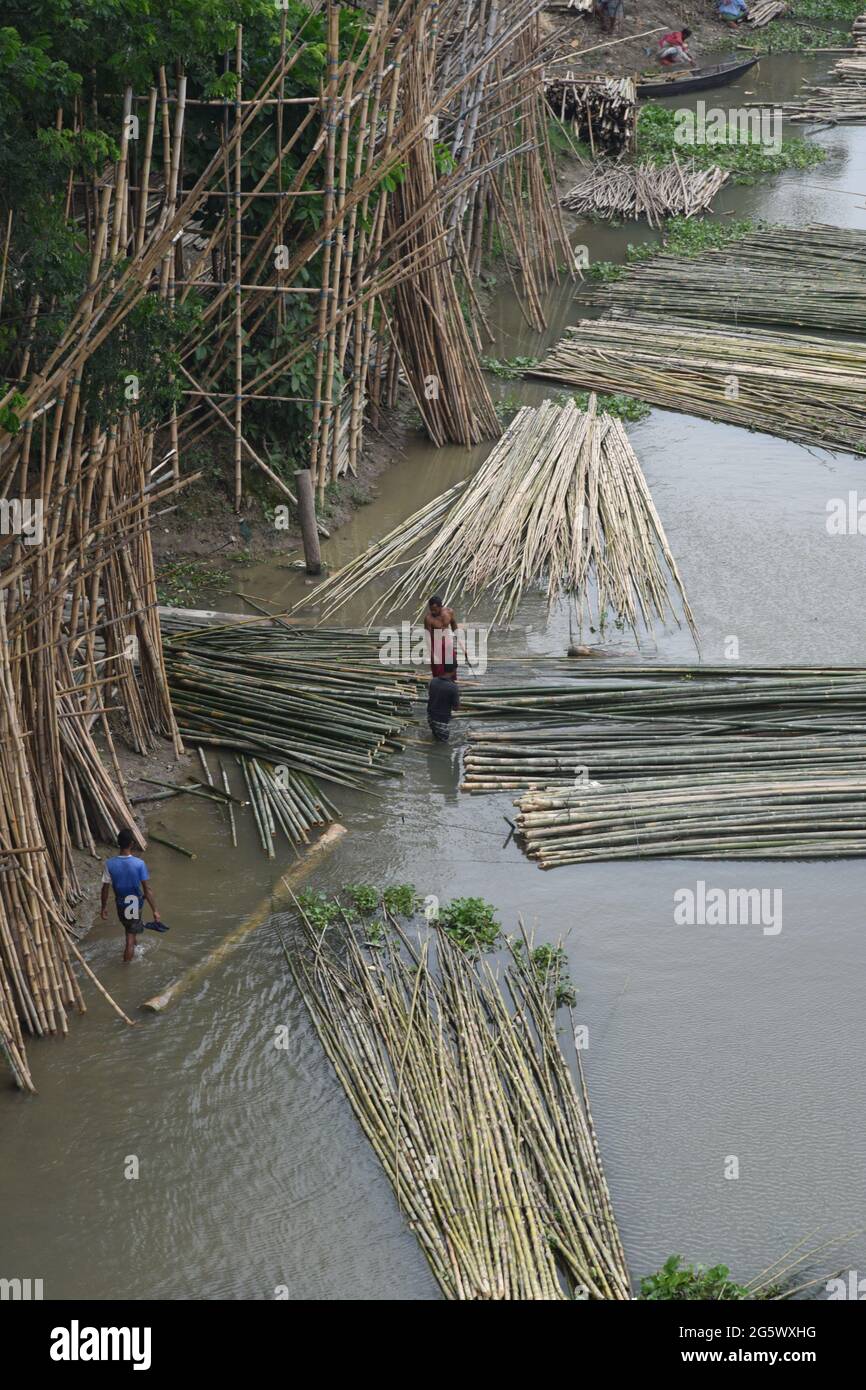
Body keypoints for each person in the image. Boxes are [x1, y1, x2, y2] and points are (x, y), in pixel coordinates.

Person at [100, 828, 161, 961]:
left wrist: (103, 907)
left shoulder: (109, 864)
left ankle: (135, 947)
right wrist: (155, 911)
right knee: (129, 938)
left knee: (130, 929)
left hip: (120, 904)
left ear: (118, 843)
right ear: (132, 844)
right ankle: (126, 967)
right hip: (133, 904)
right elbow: (147, 889)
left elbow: (105, 888)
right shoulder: (139, 864)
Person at [424, 594, 458, 678]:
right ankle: (438, 686)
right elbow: (428, 639)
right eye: (431, 609)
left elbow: (454, 625)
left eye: (435, 610)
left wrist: (461, 643)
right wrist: (432, 656)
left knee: (451, 667)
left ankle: (451, 685)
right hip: (436, 646)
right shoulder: (428, 619)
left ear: (440, 607)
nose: (433, 612)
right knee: (438, 670)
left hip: (448, 643)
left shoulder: (449, 612)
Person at [427, 665, 459, 742]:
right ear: (454, 670)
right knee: (443, 743)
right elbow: (456, 708)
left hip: (430, 716)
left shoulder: (433, 681)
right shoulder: (453, 687)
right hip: (441, 719)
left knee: (435, 737)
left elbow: (431, 695)